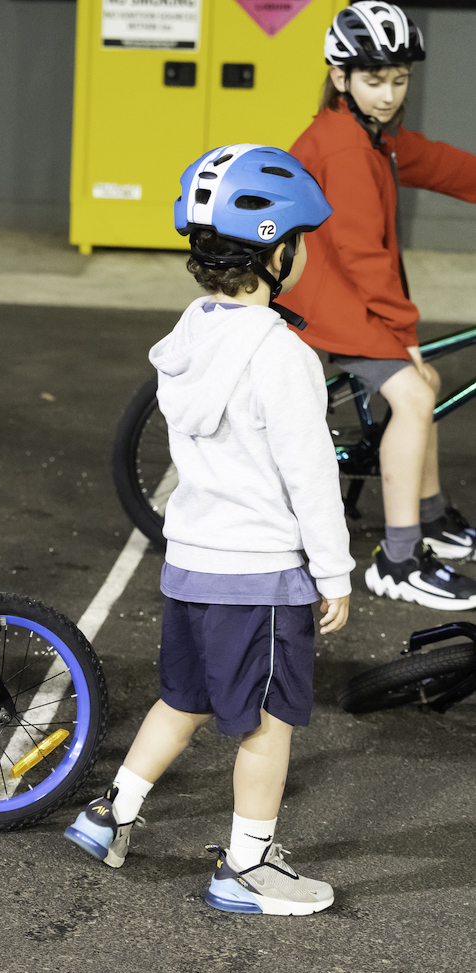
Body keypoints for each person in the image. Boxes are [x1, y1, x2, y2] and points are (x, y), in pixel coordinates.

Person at [65, 146, 353, 916]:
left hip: (190, 565)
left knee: (182, 700)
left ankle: (111, 814)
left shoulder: (190, 334)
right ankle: (246, 869)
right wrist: (334, 572)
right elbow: (311, 475)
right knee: (268, 723)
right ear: (277, 250)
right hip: (258, 572)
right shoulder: (284, 355)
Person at [278, 1, 476, 609]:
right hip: (326, 297)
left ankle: (432, 517)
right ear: (341, 77)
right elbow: (365, 256)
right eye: (374, 80)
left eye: (399, 79)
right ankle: (396, 558)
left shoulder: (368, 132)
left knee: (427, 380)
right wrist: (405, 332)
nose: (389, 94)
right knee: (415, 391)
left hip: (343, 288)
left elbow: (438, 163)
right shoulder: (341, 147)